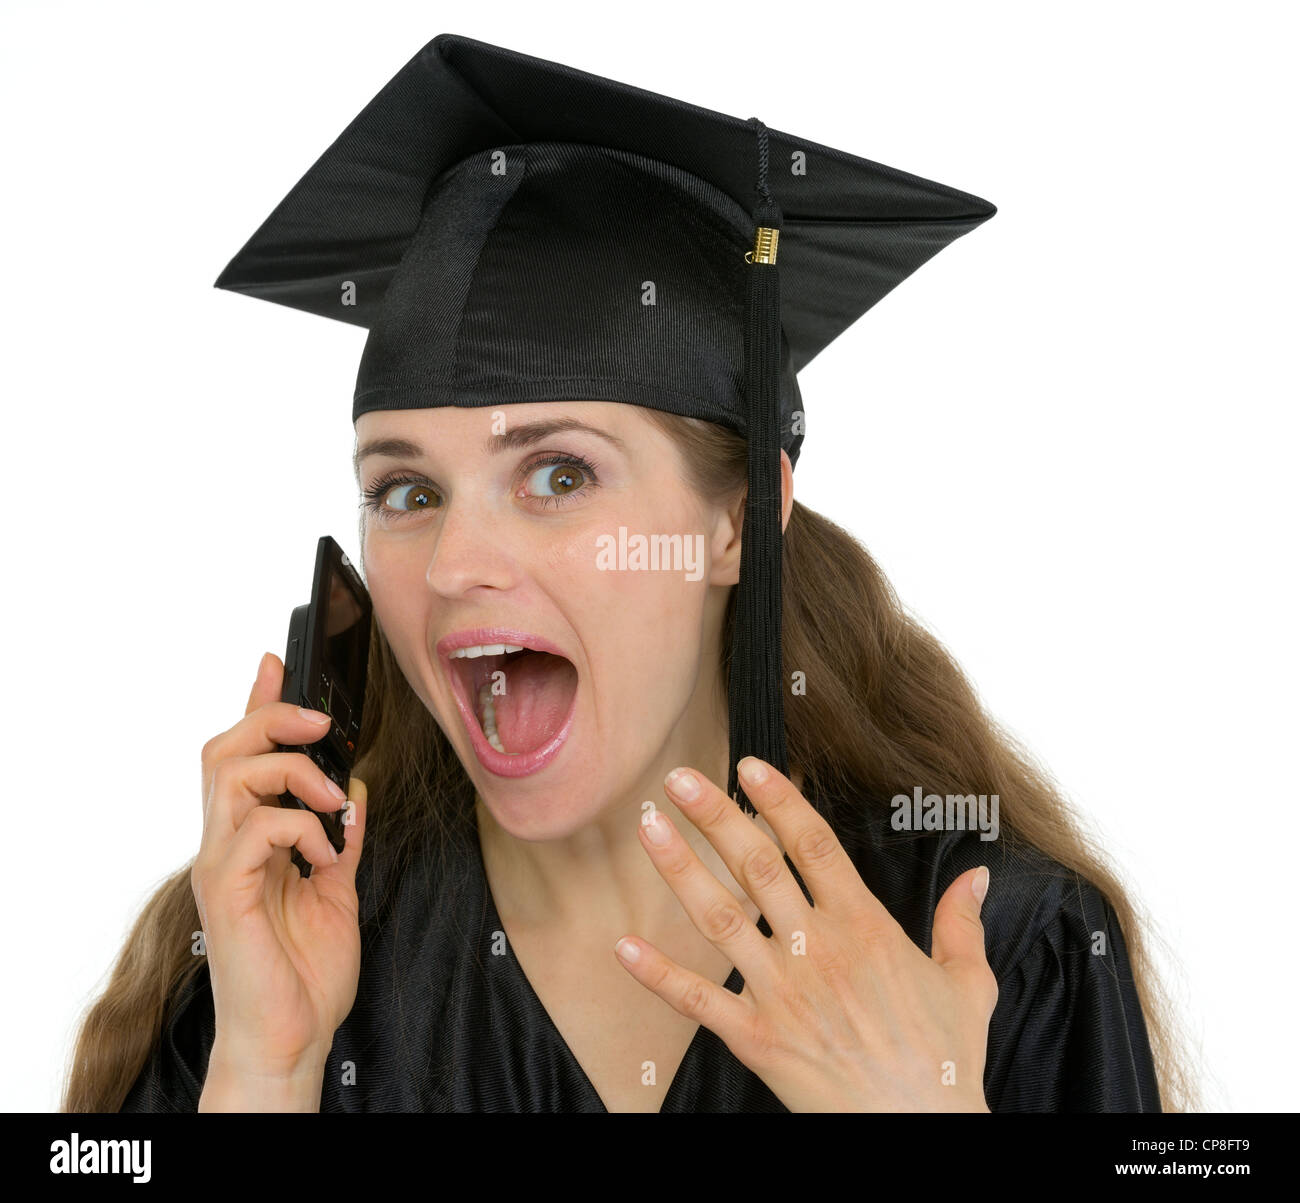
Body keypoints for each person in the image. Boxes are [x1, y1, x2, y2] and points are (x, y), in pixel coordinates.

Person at [63, 33, 1193, 1113]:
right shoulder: (269, 951)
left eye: (558, 475)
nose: (456, 563)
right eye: (405, 492)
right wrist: (267, 1068)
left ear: (742, 520)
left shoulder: (993, 946)